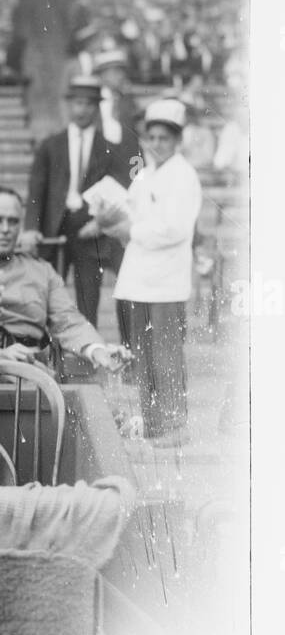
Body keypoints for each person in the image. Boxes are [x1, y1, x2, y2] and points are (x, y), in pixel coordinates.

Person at [0, 186, 129, 370]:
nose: (6, 229)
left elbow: (69, 322)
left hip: (30, 378)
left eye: (13, 221)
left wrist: (97, 350)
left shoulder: (42, 272)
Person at [106, 99, 202, 446]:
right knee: (142, 357)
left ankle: (176, 426)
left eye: (164, 138)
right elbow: (128, 210)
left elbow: (174, 229)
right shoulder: (145, 175)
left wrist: (130, 230)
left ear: (176, 141)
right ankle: (153, 424)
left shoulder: (183, 176)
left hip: (166, 282)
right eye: (152, 138)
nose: (157, 144)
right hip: (139, 279)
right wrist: (107, 215)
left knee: (166, 357)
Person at [22, 75, 133, 330]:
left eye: (89, 105)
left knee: (88, 299)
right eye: (78, 103)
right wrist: (31, 228)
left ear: (96, 108)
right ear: (69, 105)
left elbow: (117, 190)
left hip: (89, 233)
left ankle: (87, 360)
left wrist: (100, 222)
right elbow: (37, 189)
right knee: (48, 297)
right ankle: (50, 358)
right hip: (54, 231)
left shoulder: (109, 148)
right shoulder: (50, 145)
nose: (82, 110)